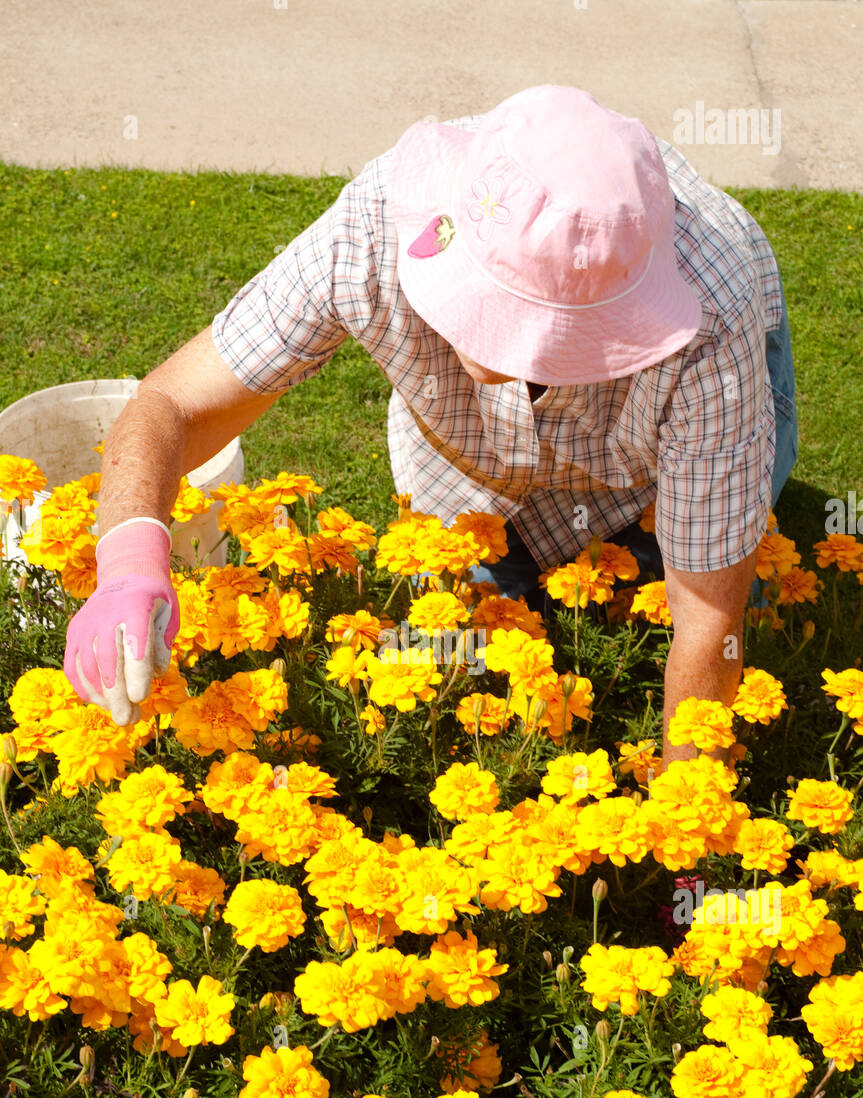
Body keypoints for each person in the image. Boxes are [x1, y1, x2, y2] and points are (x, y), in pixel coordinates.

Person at [63, 85, 797, 765]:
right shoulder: (372, 229)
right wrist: (128, 564)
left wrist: (682, 820)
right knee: (456, 671)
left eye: (540, 328)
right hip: (466, 475)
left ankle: (643, 534)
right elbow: (172, 404)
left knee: (720, 596)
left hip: (639, 464)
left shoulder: (709, 320)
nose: (498, 343)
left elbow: (705, 617)